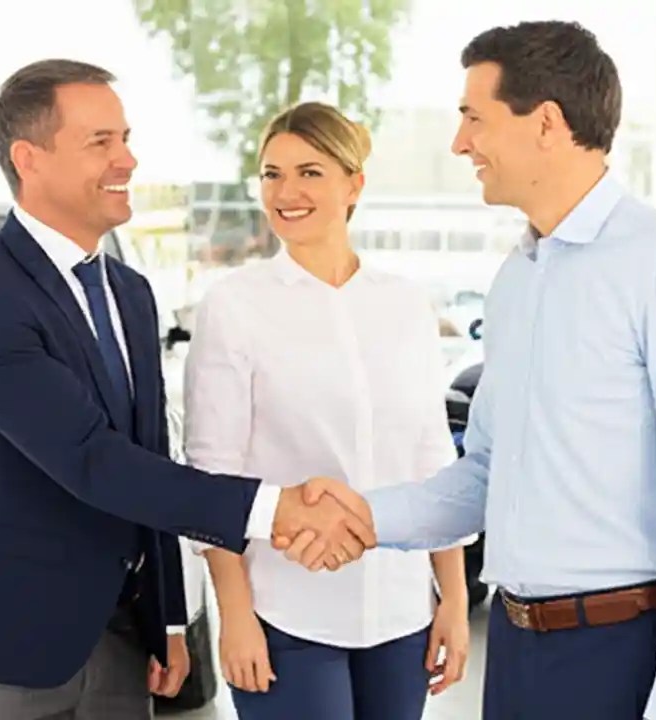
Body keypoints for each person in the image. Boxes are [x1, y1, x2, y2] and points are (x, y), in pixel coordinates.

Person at [281, 20, 656, 720]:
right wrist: (365, 515)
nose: (460, 143)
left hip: (626, 656)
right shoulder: (518, 278)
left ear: (546, 123)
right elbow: (486, 473)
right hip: (516, 652)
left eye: (474, 118)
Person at [0, 59, 376, 720]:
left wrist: (169, 618)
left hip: (124, 643)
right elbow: (92, 459)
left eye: (125, 139)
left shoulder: (129, 292)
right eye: (101, 142)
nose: (127, 159)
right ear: (28, 159)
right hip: (2, 646)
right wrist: (279, 509)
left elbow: (148, 454)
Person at [182, 101, 473, 720]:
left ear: (354, 184)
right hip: (285, 612)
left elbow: (432, 458)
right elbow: (212, 474)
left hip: (401, 613)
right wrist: (235, 616)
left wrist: (451, 597)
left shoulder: (404, 304)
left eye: (309, 172)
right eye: (272, 174)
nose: (286, 192)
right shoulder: (234, 305)